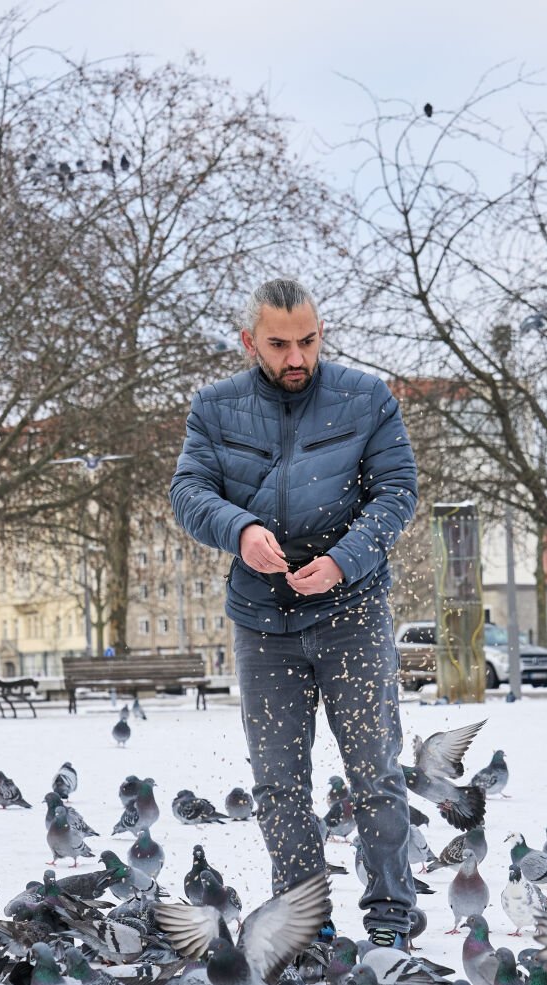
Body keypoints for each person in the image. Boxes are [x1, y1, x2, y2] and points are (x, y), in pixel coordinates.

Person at [170, 277, 419, 948]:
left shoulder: (365, 399)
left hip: (351, 610)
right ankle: (304, 921)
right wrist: (240, 529)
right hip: (262, 620)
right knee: (278, 785)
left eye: (307, 340)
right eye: (278, 345)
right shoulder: (214, 409)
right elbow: (188, 491)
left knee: (374, 772)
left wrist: (345, 558)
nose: (295, 358)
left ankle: (392, 912)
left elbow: (396, 491)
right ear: (250, 341)